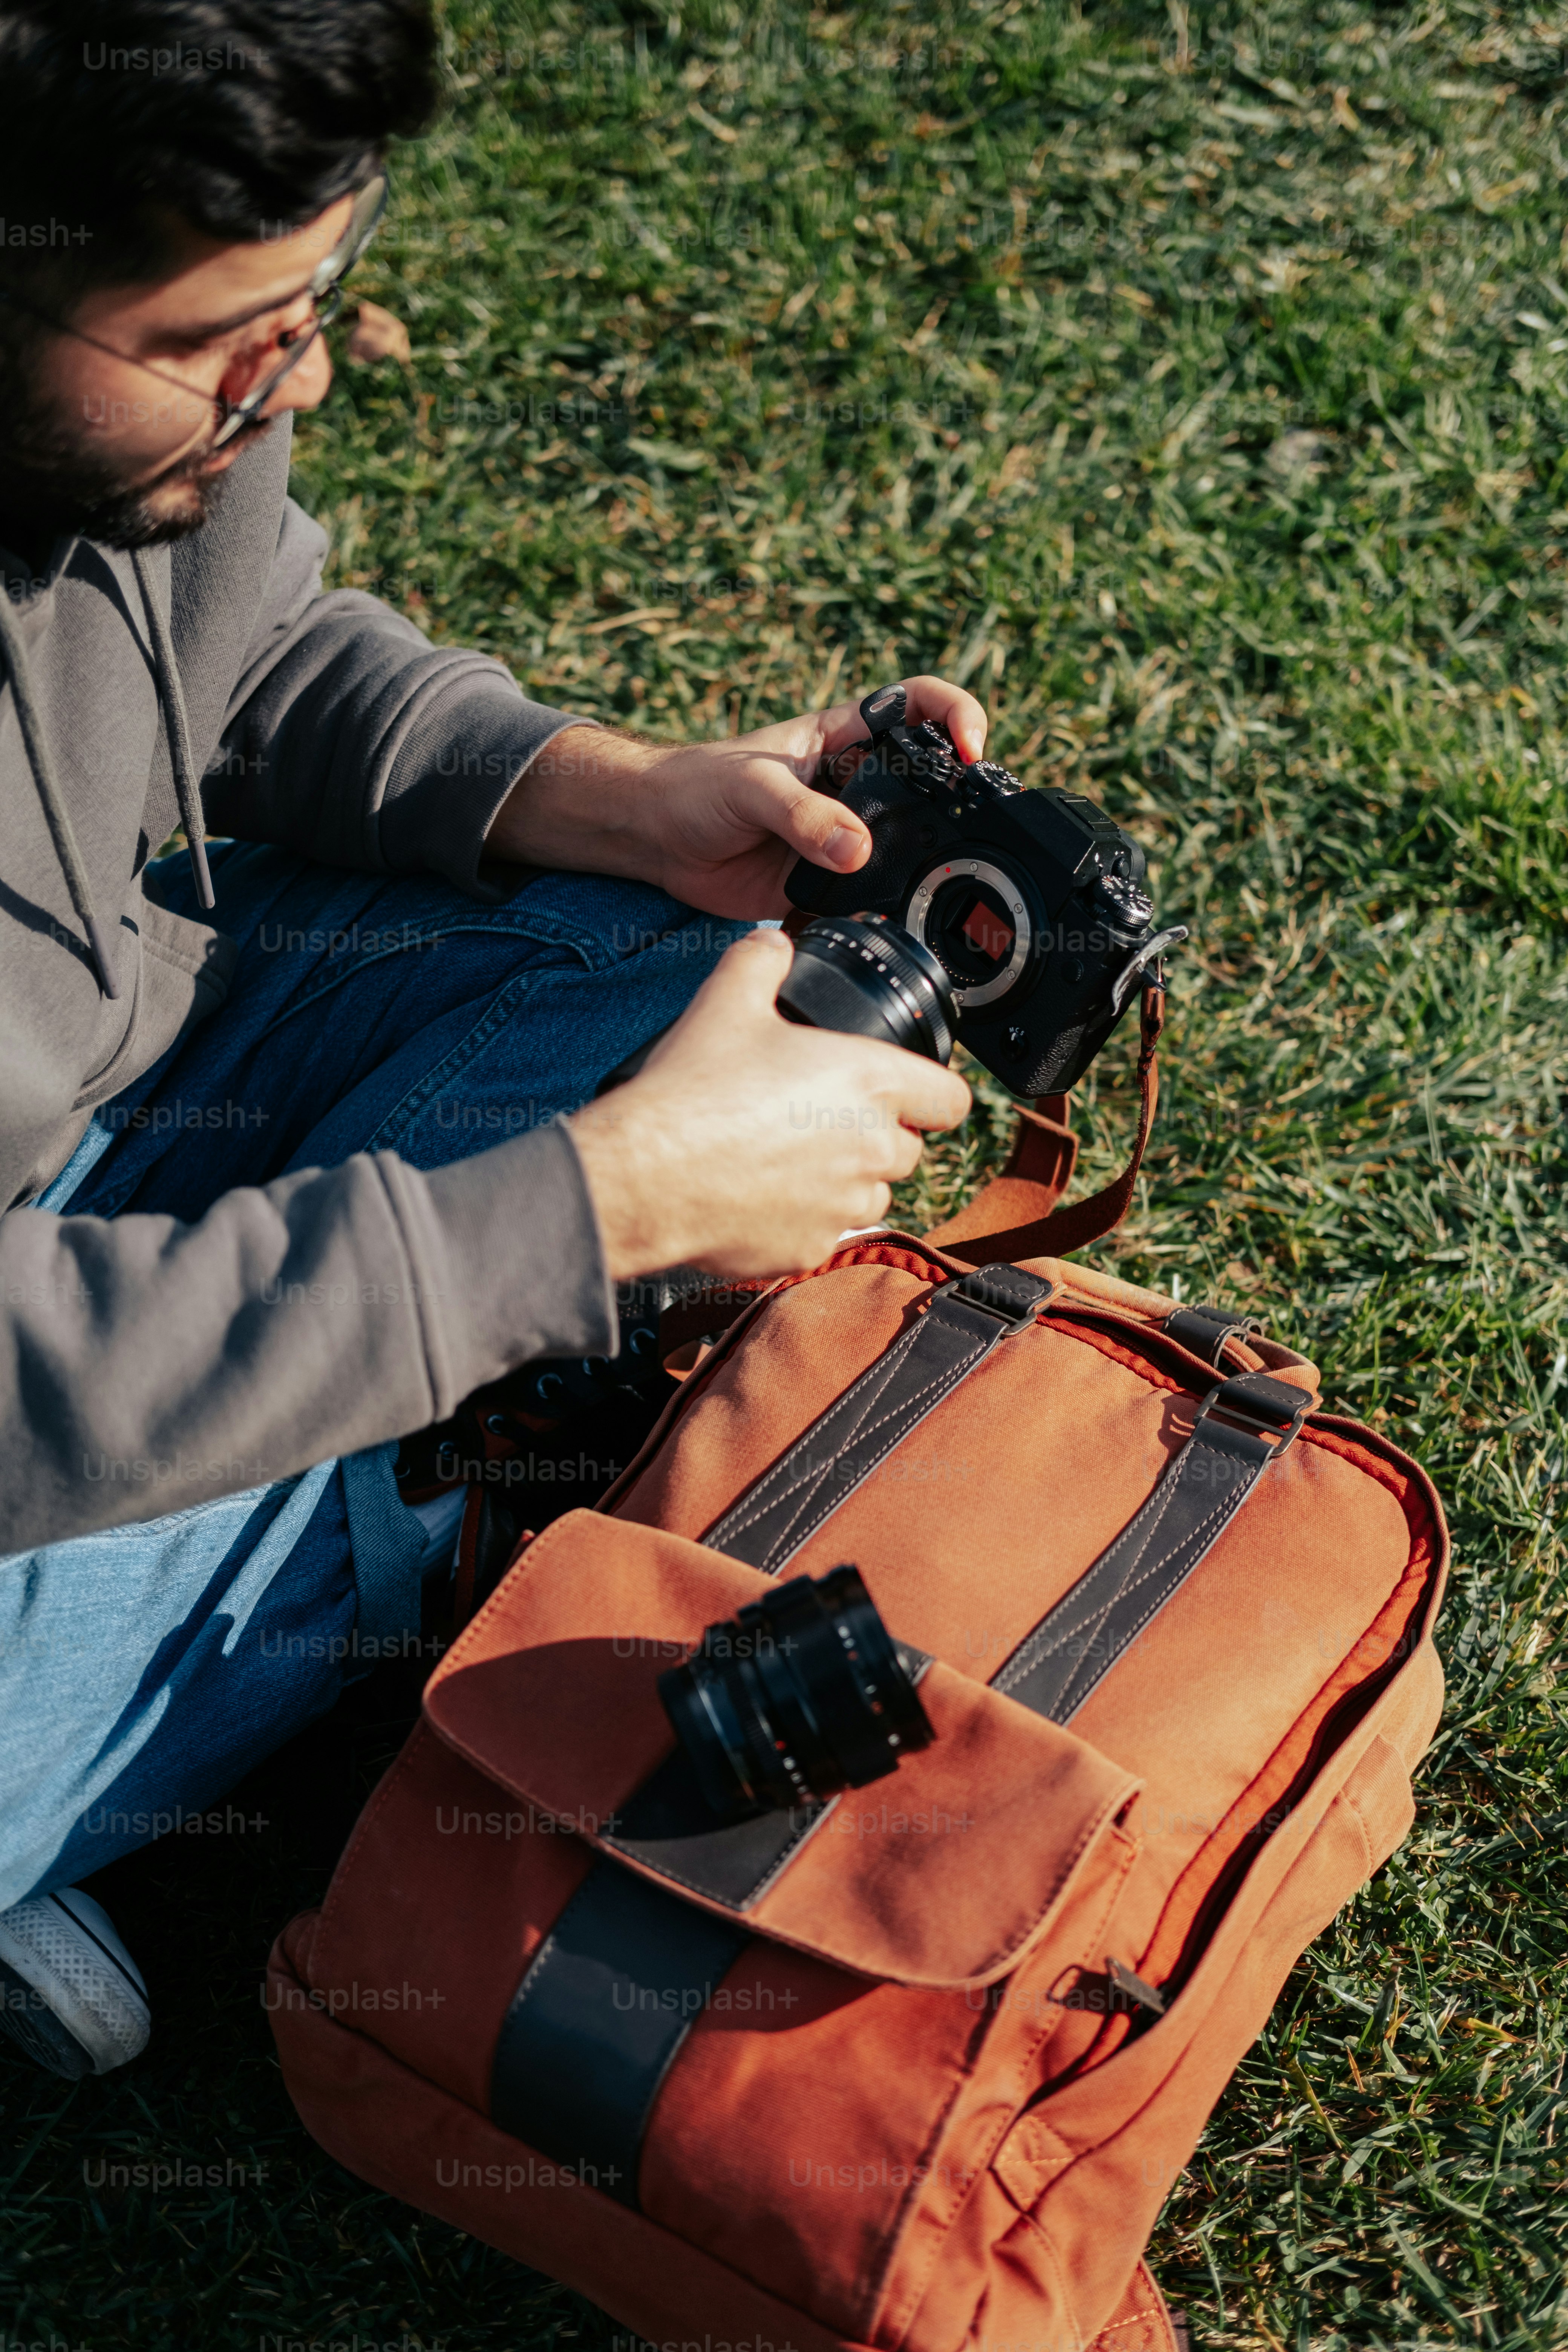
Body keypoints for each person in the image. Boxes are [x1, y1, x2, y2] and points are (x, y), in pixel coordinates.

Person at [0, 0, 977, 2078]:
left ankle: (249, 1595)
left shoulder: (109, 395)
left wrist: (602, 789)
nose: (302, 378)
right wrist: (595, 1214)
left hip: (90, 1103)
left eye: (317, 302)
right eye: (215, 341)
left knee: (689, 937)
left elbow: (230, 643)